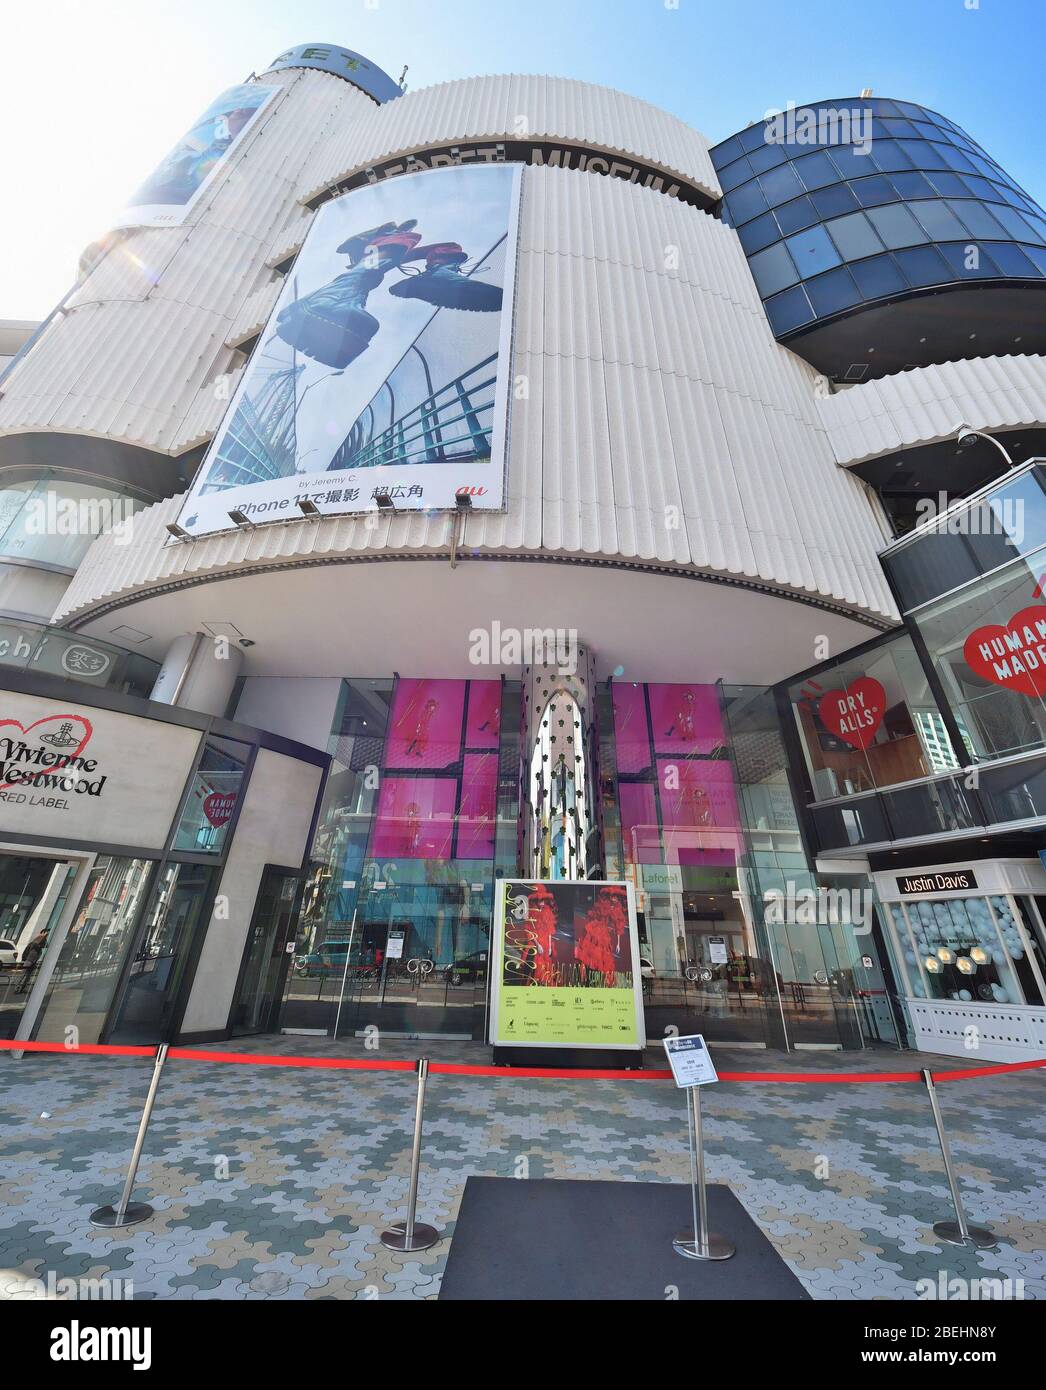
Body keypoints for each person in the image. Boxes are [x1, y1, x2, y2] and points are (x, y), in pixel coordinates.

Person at [15, 929, 49, 994]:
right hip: (29, 961)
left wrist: (44, 938)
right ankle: (17, 988)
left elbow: (46, 946)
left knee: (28, 977)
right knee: (23, 975)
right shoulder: (35, 942)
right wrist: (42, 936)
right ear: (42, 933)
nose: (47, 935)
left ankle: (22, 988)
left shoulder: (39, 943)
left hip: (32, 961)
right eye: (46, 934)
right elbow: (37, 945)